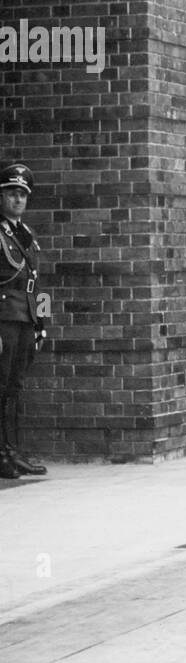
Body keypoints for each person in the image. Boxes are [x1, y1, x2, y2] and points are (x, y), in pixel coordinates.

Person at [0, 163, 47, 479]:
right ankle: (3, 454)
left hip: (25, 318)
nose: (17, 200)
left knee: (15, 387)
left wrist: (41, 322)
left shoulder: (26, 233)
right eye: (11, 194)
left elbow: (36, 281)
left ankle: (12, 452)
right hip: (4, 318)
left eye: (22, 195)